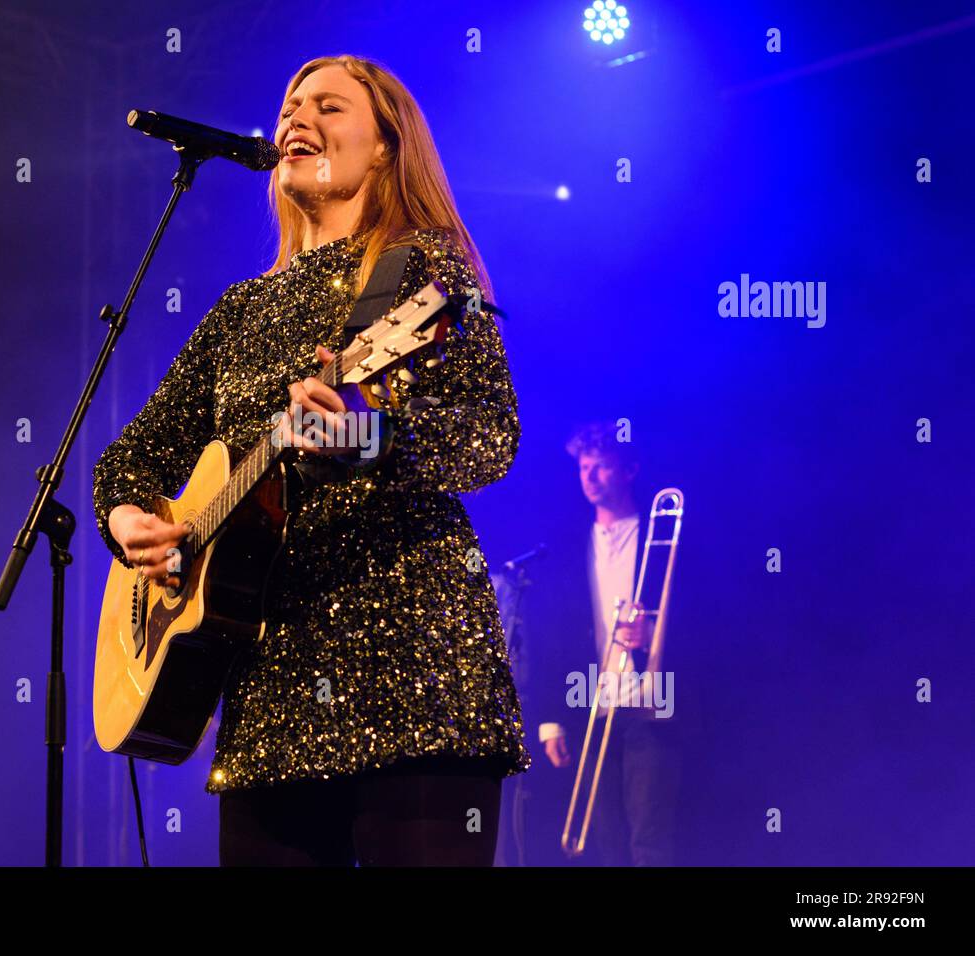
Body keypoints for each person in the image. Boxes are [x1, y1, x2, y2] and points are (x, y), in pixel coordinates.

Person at [92, 54, 530, 866]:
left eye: (329, 107)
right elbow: (133, 456)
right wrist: (130, 520)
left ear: (384, 148)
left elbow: (485, 432)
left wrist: (367, 437)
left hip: (413, 668)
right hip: (266, 689)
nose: (298, 118)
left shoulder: (423, 266)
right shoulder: (242, 308)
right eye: (291, 106)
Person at [537, 422, 682, 866]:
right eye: (584, 467)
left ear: (629, 470)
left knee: (650, 837)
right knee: (604, 844)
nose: (590, 477)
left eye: (601, 466)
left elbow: (710, 619)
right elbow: (554, 633)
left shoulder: (660, 532)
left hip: (649, 703)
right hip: (590, 704)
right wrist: (551, 722)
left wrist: (656, 635)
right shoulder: (568, 545)